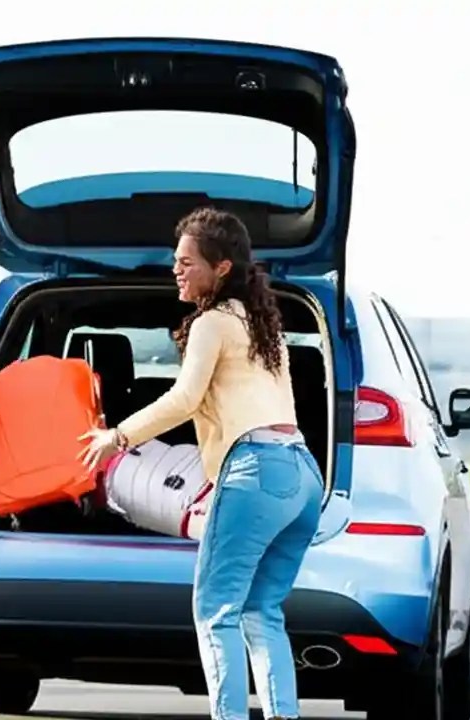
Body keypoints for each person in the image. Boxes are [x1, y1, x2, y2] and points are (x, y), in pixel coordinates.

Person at [79, 207, 325, 720]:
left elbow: (185, 398)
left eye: (187, 261)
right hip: (301, 475)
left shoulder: (212, 322)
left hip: (256, 471)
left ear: (222, 269)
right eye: (176, 260)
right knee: (262, 613)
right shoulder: (260, 325)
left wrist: (118, 436)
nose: (176, 269)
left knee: (216, 614)